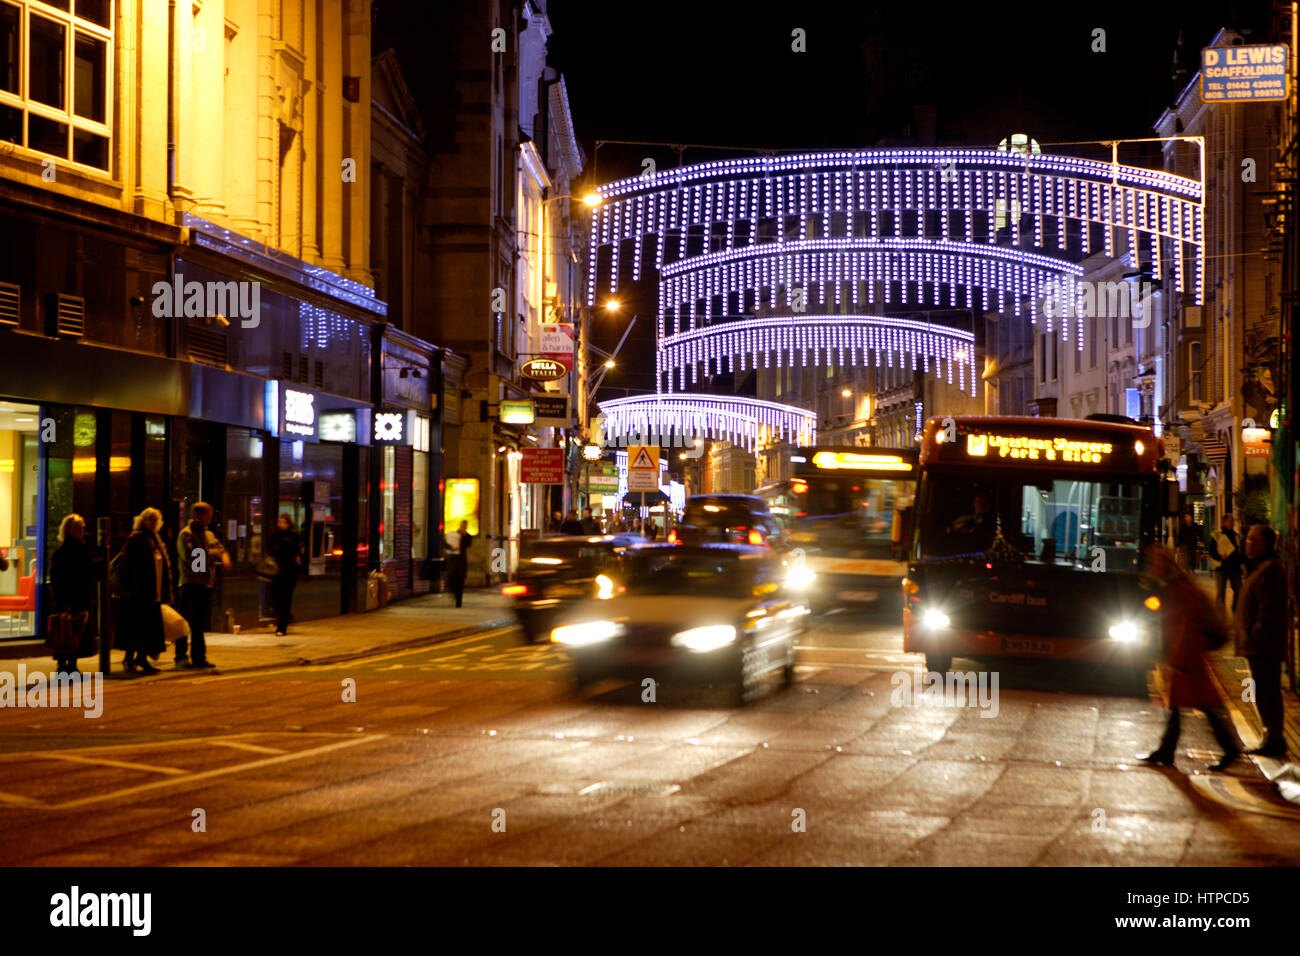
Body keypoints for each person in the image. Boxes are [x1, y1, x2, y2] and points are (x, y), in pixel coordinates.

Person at [1138, 544, 1240, 770]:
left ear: (1164, 565)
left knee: (1201, 703)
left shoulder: (1178, 588)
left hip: (1186, 655)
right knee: (1186, 704)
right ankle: (1167, 750)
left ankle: (1228, 749)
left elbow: (1186, 623)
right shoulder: (1170, 586)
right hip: (1182, 653)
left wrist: (1177, 656)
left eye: (1156, 562)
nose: (1152, 567)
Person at [1235, 524, 1289, 758]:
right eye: (1247, 539)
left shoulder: (1270, 570)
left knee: (1267, 692)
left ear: (1264, 544)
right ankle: (1270, 736)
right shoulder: (1260, 567)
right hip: (1258, 644)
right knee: (1262, 692)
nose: (1247, 543)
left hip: (1264, 646)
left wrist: (1256, 635)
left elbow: (1269, 610)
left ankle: (1274, 739)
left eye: (1252, 539)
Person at [176, 502, 230, 668]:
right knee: (185, 623)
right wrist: (215, 555)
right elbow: (196, 562)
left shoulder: (209, 535)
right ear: (198, 515)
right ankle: (181, 657)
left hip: (205, 584)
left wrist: (222, 555)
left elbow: (221, 550)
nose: (210, 518)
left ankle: (199, 657)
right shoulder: (187, 535)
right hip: (190, 584)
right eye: (208, 515)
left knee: (199, 624)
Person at [120, 508, 173, 675]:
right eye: (150, 519)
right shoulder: (137, 538)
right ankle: (129, 659)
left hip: (153, 591)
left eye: (156, 520)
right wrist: (130, 586)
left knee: (148, 628)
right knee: (135, 628)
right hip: (140, 592)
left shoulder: (155, 539)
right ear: (143, 521)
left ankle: (142, 658)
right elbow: (128, 565)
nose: (153, 523)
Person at [49, 514, 93, 675]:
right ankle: (62, 665)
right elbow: (57, 577)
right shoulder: (62, 552)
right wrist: (61, 599)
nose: (80, 532)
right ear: (68, 530)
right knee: (64, 631)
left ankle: (72, 664)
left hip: (81, 597)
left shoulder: (83, 549)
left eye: (81, 529)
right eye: (76, 528)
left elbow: (89, 573)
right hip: (67, 597)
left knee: (76, 632)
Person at [267, 514, 304, 636]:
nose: (281, 524)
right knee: (275, 597)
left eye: (284, 522)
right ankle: (282, 618)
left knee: (286, 597)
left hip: (289, 570)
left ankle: (281, 627)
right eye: (280, 521)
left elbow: (297, 552)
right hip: (275, 570)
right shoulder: (274, 535)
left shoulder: (294, 537)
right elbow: (269, 550)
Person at [1209, 514, 1242, 611]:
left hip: (1235, 567)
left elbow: (1240, 551)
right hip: (1222, 567)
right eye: (1229, 520)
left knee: (1239, 590)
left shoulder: (1237, 536)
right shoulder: (1217, 535)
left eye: (1232, 521)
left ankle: (1235, 609)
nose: (1232, 523)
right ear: (1224, 522)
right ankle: (1220, 614)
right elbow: (1212, 551)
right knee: (1221, 592)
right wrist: (1220, 557)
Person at [444, 520, 473, 607]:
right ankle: (454, 593)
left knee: (460, 581)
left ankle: (458, 600)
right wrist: (451, 547)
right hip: (453, 559)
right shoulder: (453, 535)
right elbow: (445, 543)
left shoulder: (467, 536)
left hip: (461, 561)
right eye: (461, 526)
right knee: (451, 578)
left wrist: (463, 536)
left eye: (464, 526)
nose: (462, 528)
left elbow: (467, 544)